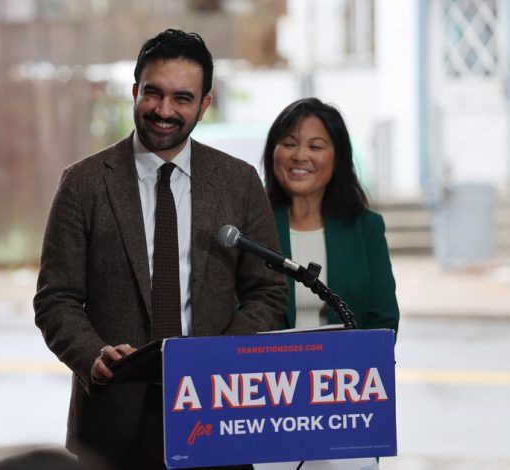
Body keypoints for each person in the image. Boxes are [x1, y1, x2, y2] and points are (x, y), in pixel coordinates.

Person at [34, 29, 288, 469]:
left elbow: (267, 292)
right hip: (112, 420)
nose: (164, 111)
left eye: (182, 98)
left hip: (216, 412)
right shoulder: (84, 183)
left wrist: (221, 359)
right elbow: (56, 298)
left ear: (205, 104)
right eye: (153, 93)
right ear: (134, 91)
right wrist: (93, 355)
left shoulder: (239, 182)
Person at [262, 97, 400, 333]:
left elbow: (384, 321)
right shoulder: (250, 225)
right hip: (267, 369)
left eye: (315, 147)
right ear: (272, 152)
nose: (300, 156)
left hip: (344, 368)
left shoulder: (366, 227)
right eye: (288, 144)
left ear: (338, 158)